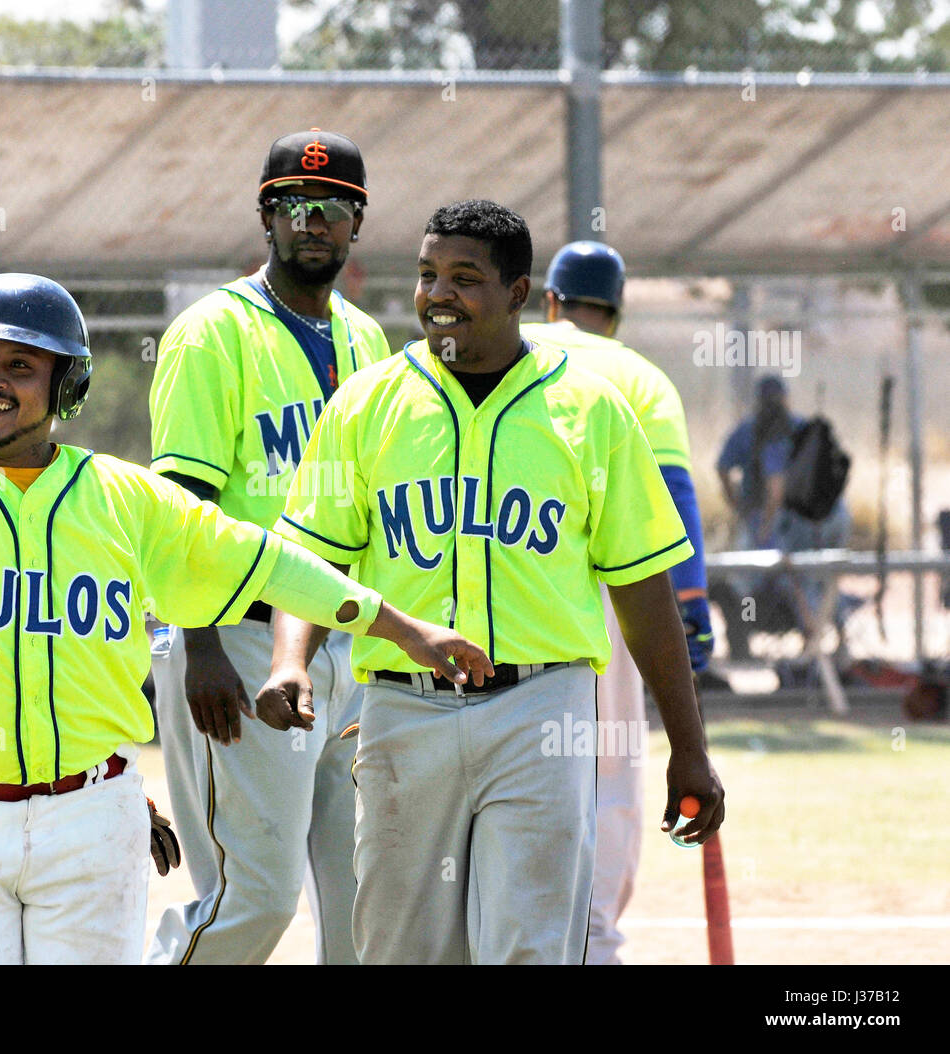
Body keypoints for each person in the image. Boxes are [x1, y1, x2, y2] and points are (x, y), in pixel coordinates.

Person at [0, 261, 489, 964]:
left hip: (92, 819)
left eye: (22, 365)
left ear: (69, 383)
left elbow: (269, 561)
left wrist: (400, 626)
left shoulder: (127, 499)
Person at [261, 200, 725, 964]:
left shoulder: (591, 410)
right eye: (427, 275)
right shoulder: (367, 406)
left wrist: (689, 746)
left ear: (519, 295)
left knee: (531, 948)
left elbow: (644, 592)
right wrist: (289, 662)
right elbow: (311, 559)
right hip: (403, 708)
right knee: (400, 950)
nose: (438, 293)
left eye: (464, 278)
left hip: (542, 708)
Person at [145, 128, 390, 965]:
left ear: (357, 223)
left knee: (364, 895)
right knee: (255, 896)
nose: (310, 222)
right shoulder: (210, 333)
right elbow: (181, 505)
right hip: (239, 644)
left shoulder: (367, 341)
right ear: (265, 216)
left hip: (341, 647)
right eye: (291, 205)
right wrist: (199, 641)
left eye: (330, 207)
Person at [524, 239, 715, 965]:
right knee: (609, 763)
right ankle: (593, 935)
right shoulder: (638, 374)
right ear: (617, 310)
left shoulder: (507, 346)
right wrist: (691, 607)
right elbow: (673, 496)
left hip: (505, 572)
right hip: (612, 587)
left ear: (547, 300)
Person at [715, 376, 851, 657]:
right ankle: (825, 647)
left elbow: (775, 490)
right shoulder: (795, 427)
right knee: (820, 580)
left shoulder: (769, 430)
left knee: (762, 580)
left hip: (793, 524)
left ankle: (796, 644)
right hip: (831, 517)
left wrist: (760, 525)